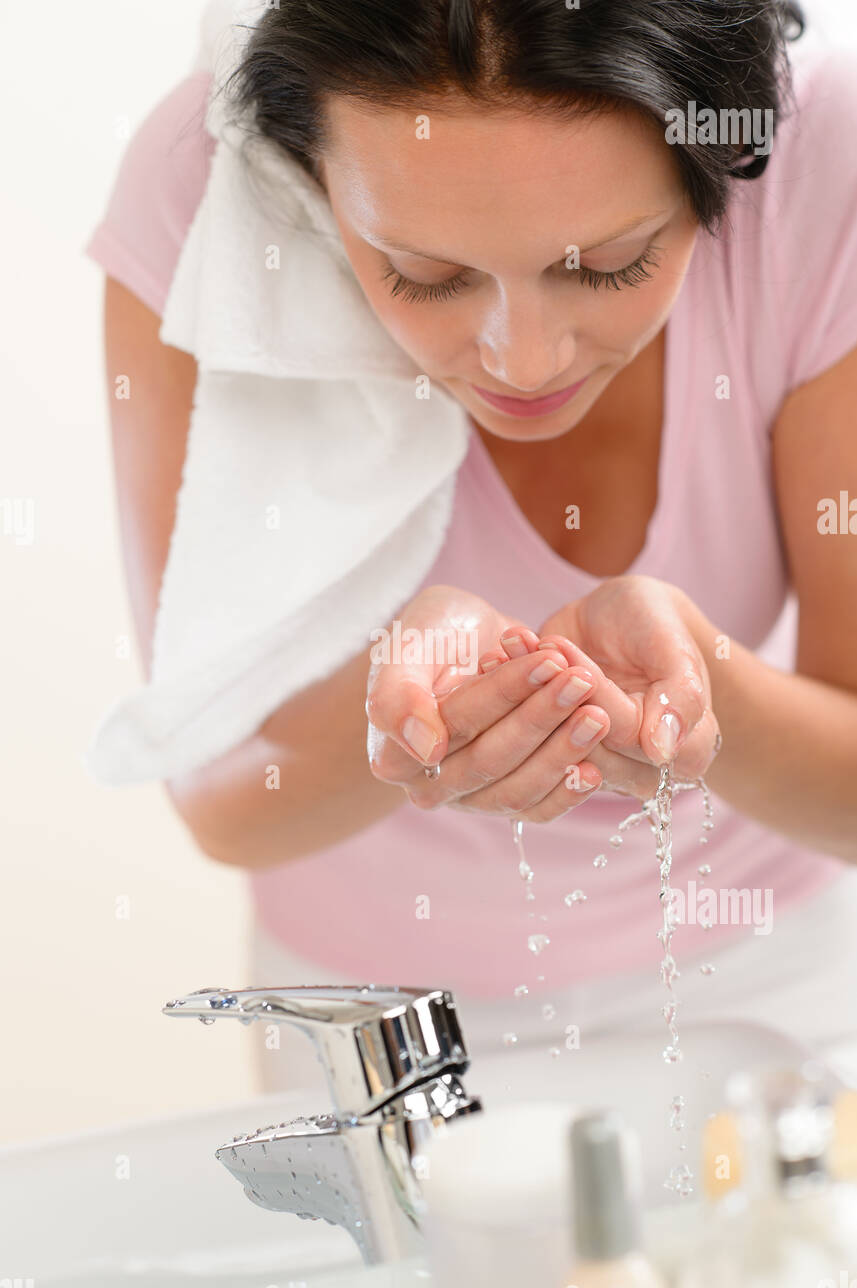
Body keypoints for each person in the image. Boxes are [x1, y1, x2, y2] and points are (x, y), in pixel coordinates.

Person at [85, 1, 857, 1093]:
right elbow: (220, 796)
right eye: (425, 274)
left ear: (725, 159)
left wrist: (705, 681)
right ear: (305, 179)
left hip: (768, 966)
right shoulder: (203, 204)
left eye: (609, 265)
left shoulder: (825, 154)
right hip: (374, 1016)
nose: (524, 358)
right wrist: (397, 701)